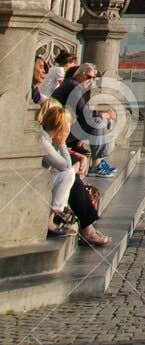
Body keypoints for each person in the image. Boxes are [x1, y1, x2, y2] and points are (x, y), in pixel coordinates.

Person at [38, 102, 111, 247]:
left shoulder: (49, 139)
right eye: (67, 128)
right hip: (40, 181)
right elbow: (64, 165)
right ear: (60, 127)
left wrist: (70, 153)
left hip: (47, 178)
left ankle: (86, 226)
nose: (69, 131)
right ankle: (57, 220)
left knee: (72, 176)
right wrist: (63, 144)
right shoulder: (43, 140)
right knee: (69, 173)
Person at [53, 62, 116, 176]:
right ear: (80, 75)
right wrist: (104, 115)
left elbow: (81, 112)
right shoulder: (73, 86)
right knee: (97, 122)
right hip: (58, 130)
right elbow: (84, 113)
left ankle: (99, 162)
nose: (91, 80)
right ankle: (96, 165)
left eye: (93, 78)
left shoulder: (72, 85)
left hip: (61, 126)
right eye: (89, 77)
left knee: (96, 120)